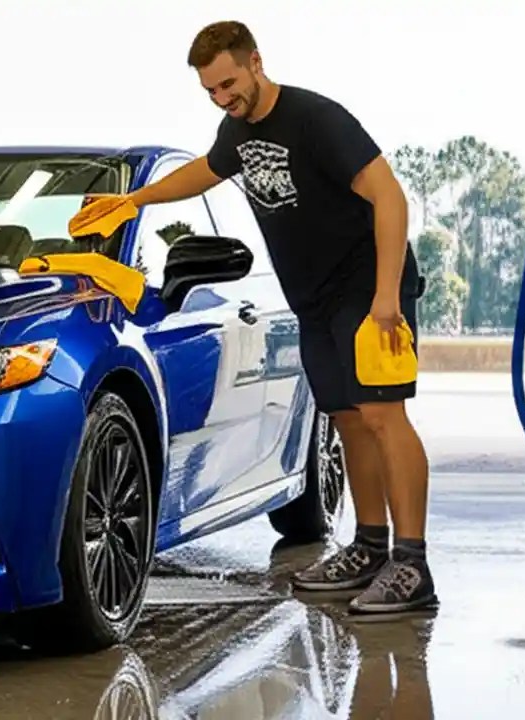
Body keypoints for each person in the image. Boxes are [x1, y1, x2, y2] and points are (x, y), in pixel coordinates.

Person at [82, 20, 436, 615]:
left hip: (367, 287)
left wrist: (385, 299)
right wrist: (134, 201)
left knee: (382, 415)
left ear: (254, 62)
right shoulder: (236, 131)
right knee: (346, 417)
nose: (224, 98)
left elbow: (390, 196)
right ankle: (370, 547)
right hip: (316, 299)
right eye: (211, 92)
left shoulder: (317, 120)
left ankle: (412, 564)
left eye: (229, 83)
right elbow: (206, 169)